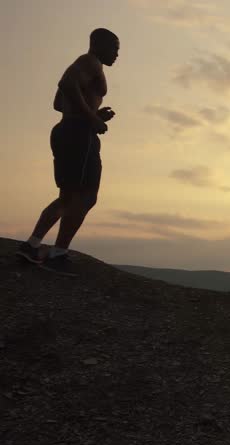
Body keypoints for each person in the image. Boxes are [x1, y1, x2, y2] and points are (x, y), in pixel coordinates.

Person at [16, 28, 120, 276]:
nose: (117, 54)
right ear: (99, 45)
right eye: (114, 48)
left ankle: (32, 245)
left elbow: (58, 103)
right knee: (86, 196)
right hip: (79, 134)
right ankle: (58, 254)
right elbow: (66, 85)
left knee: (68, 196)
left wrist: (93, 113)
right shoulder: (90, 62)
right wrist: (91, 119)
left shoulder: (85, 65)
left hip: (68, 130)